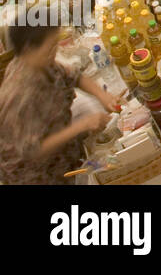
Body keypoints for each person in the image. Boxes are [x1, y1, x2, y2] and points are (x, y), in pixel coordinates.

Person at [0, 18, 121, 185]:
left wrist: (102, 95)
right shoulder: (19, 95)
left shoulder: (40, 62)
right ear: (28, 49)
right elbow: (32, 150)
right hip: (37, 174)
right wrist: (83, 125)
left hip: (65, 149)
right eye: (50, 48)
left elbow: (74, 76)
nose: (54, 52)